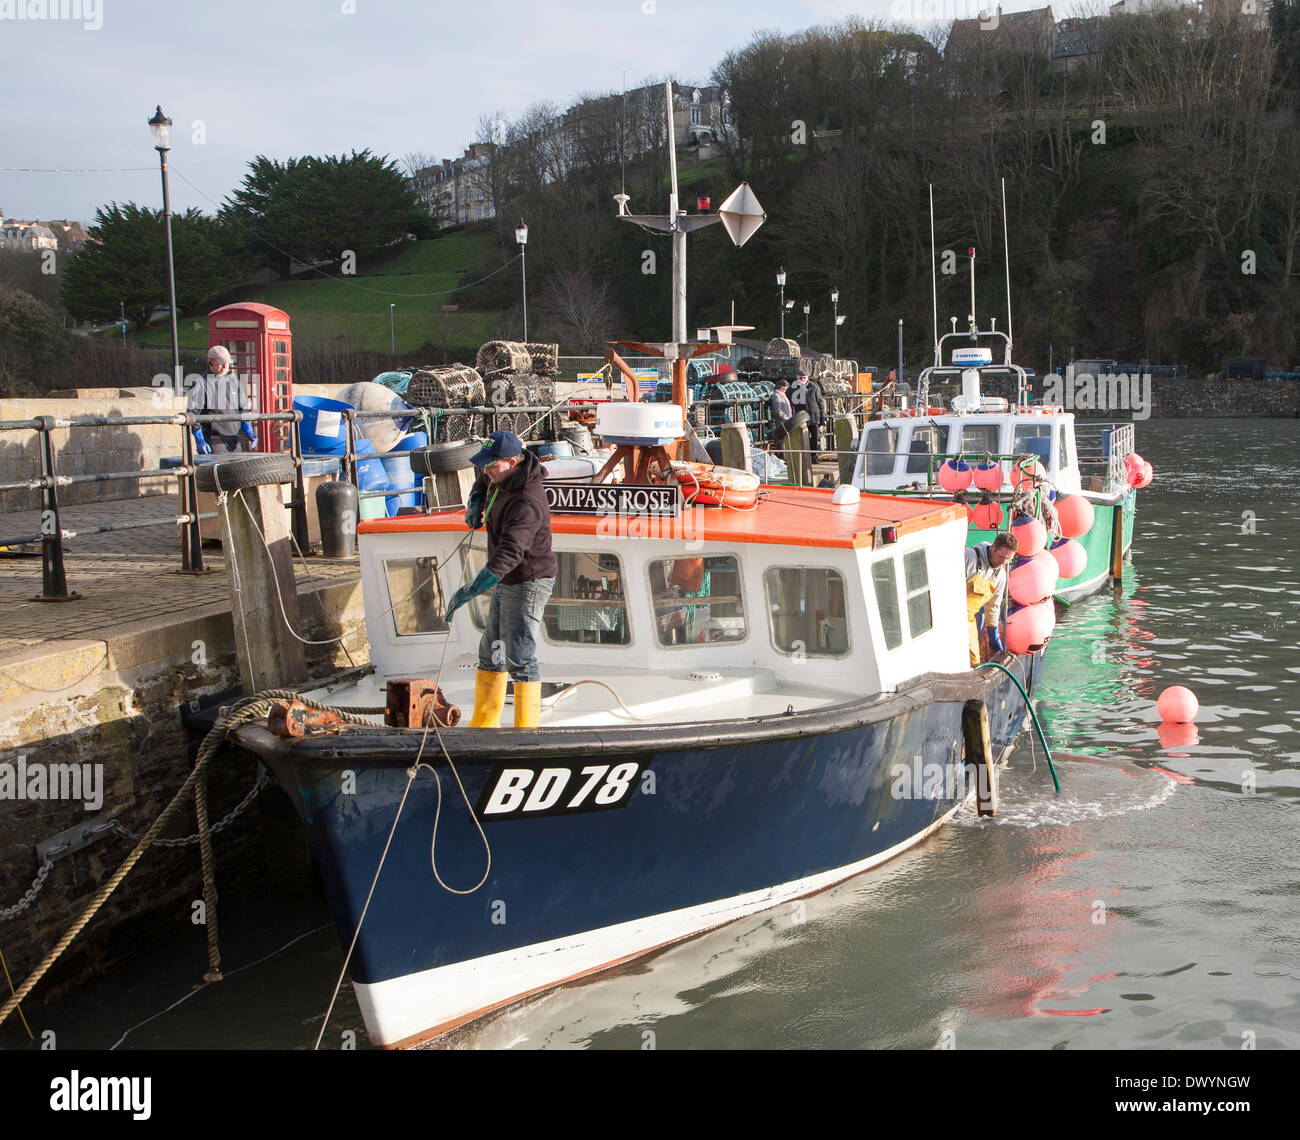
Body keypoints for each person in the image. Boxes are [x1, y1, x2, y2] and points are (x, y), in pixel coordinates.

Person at [445, 431, 557, 728]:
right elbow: (482, 482)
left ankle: (526, 728)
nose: (486, 471)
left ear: (511, 462)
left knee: (519, 654)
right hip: (507, 580)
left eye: (492, 466)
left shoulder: (527, 502)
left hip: (529, 580)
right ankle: (484, 721)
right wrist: (475, 501)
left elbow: (511, 552)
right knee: (491, 649)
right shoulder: (499, 475)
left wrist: (473, 588)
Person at [188, 346, 256, 454]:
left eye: (227, 362)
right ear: (210, 362)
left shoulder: (234, 382)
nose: (225, 366)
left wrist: (249, 430)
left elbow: (243, 410)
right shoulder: (201, 384)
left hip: (234, 439)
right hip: (214, 440)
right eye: (221, 362)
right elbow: (192, 414)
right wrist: (199, 439)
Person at [964, 532, 1017, 665]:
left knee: (973, 660)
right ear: (993, 547)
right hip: (949, 613)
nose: (1003, 562)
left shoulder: (1001, 575)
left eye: (1007, 559)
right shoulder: (969, 557)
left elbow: (993, 606)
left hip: (968, 620)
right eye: (1001, 556)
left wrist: (993, 632)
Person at [791, 370, 825, 454]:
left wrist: (822, 417)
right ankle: (804, 456)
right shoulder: (793, 388)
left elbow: (820, 402)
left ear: (807, 378)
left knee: (815, 438)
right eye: (800, 378)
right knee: (802, 437)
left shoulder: (814, 387)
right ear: (797, 378)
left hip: (814, 416)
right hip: (801, 417)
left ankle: (814, 456)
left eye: (804, 378)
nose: (802, 379)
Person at [768, 378, 792, 442]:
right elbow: (777, 410)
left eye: (786, 389)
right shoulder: (776, 396)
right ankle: (782, 452)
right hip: (781, 421)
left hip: (786, 421)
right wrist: (786, 418)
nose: (785, 390)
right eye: (783, 389)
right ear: (779, 387)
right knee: (782, 440)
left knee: (786, 439)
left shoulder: (783, 395)